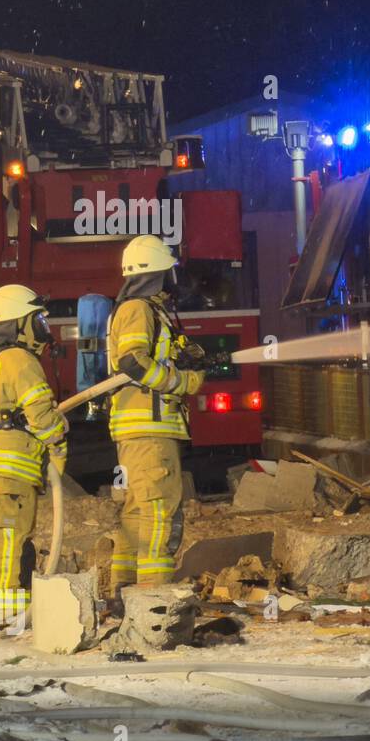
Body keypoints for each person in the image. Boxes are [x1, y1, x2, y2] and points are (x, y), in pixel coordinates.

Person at [106, 234, 204, 592]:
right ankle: (154, 594)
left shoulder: (146, 310)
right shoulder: (138, 309)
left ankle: (125, 590)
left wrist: (186, 355)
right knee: (158, 511)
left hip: (140, 431)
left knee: (136, 510)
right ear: (157, 273)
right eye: (169, 271)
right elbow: (133, 361)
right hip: (149, 429)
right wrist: (181, 381)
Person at [0, 284, 67, 626]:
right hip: (10, 470)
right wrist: (59, 439)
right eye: (36, 318)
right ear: (17, 322)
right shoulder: (18, 358)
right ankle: (8, 617)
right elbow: (40, 412)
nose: (43, 326)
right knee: (10, 542)